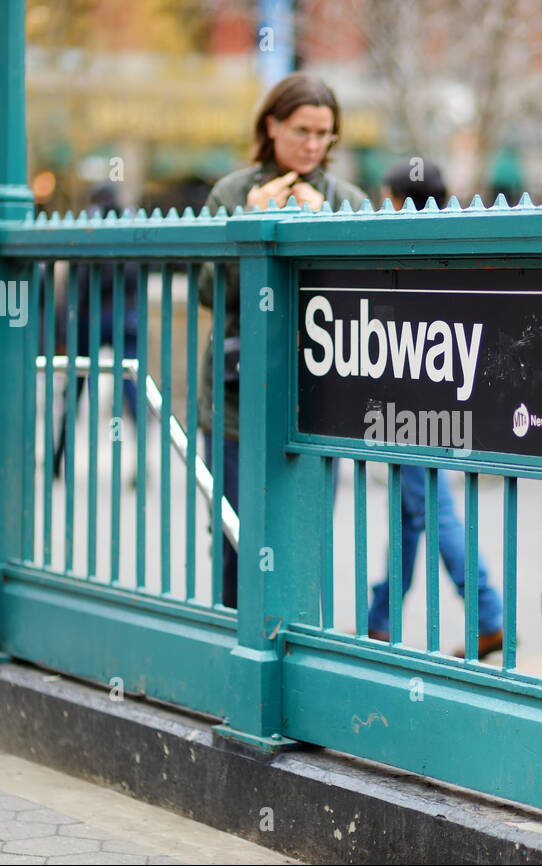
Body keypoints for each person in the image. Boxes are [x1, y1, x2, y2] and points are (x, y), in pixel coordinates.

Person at [198, 72, 368, 608]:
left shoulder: (349, 201)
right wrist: (252, 224)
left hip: (318, 397)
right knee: (236, 536)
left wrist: (323, 239)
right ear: (271, 126)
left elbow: (363, 300)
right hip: (235, 396)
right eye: (302, 131)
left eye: (325, 135)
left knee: (307, 537)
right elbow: (208, 290)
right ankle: (236, 642)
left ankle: (299, 652)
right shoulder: (231, 192)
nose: (313, 145)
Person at [363, 159, 504, 658]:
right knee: (410, 511)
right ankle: (380, 620)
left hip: (410, 401)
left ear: (398, 199)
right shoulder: (455, 238)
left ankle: (488, 616)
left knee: (432, 509)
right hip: (445, 393)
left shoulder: (400, 243)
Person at [52, 183, 142, 479]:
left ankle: (58, 458)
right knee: (133, 387)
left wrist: (67, 325)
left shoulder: (86, 227)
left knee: (75, 387)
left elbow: (75, 281)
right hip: (124, 315)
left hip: (91, 316)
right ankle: (143, 464)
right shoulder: (132, 227)